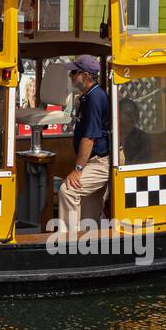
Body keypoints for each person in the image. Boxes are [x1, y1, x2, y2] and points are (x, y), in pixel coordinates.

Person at [59, 54, 110, 231]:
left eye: (74, 72)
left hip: (101, 162)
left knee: (68, 190)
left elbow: (89, 138)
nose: (70, 75)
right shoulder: (88, 96)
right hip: (94, 160)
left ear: (86, 75)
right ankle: (89, 242)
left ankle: (69, 242)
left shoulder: (95, 98)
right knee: (88, 211)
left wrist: (78, 170)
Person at [119, 98, 152, 165]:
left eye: (135, 113)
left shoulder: (143, 138)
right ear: (118, 114)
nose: (132, 116)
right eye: (128, 114)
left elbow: (144, 162)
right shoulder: (111, 135)